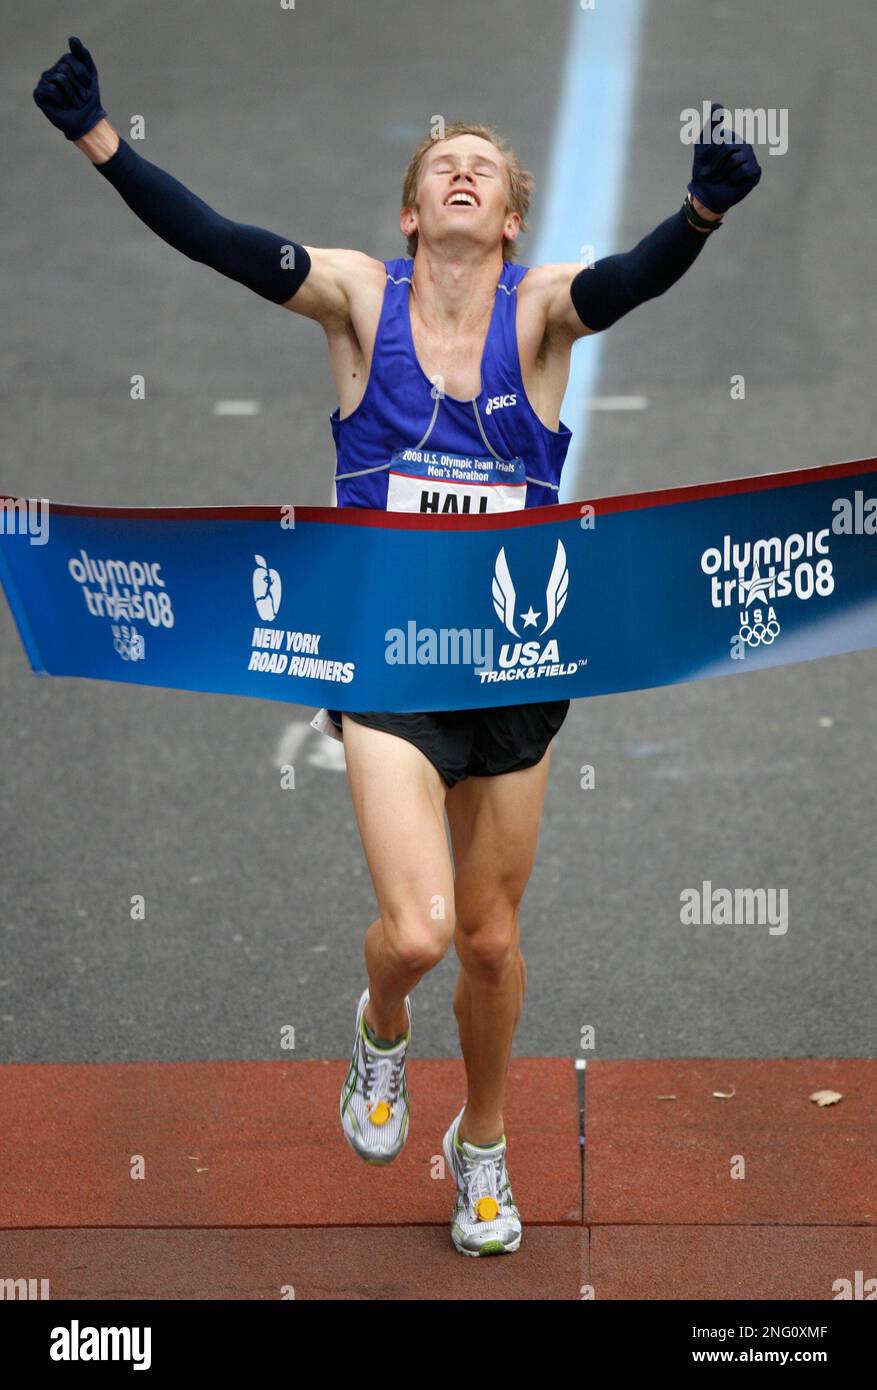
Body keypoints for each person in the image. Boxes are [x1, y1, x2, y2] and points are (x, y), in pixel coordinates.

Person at [34, 38, 761, 1256]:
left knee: (487, 942)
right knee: (420, 932)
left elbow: (628, 280)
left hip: (517, 671)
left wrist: (698, 213)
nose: (464, 175)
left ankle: (480, 1146)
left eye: (485, 168)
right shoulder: (357, 300)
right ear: (412, 213)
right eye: (443, 167)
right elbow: (218, 239)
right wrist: (100, 141)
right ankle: (379, 1028)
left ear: (513, 215)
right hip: (384, 666)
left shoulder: (540, 316)